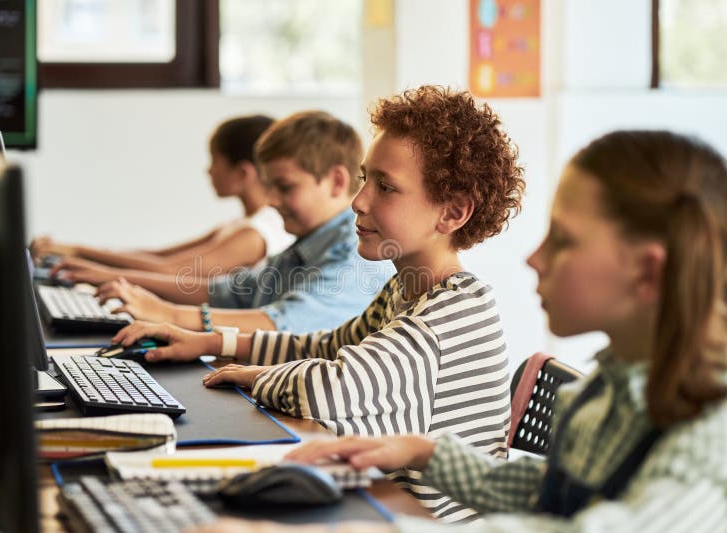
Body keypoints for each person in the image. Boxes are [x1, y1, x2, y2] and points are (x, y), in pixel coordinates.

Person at [201, 130, 727, 533]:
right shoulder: (610, 386)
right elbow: (549, 492)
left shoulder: (707, 442)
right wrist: (419, 452)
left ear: (649, 273)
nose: (534, 257)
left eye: (563, 241)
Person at [114, 86, 526, 521]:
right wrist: (213, 342)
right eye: (366, 179)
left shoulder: (454, 314)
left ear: (452, 213)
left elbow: (330, 389)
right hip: (382, 506)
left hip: (417, 521)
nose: (358, 201)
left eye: (385, 187)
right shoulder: (406, 288)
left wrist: (255, 375)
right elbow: (329, 345)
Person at [79, 110, 393, 333]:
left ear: (336, 181)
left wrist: (167, 313)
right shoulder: (302, 248)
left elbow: (282, 322)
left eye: (285, 188)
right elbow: (224, 293)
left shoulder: (354, 253)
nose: (272, 201)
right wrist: (126, 286)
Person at [31, 114, 294, 276]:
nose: (208, 170)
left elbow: (175, 272)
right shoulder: (238, 225)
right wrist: (76, 252)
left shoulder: (257, 232)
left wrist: (81, 255)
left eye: (215, 161)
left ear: (243, 173)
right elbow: (160, 256)